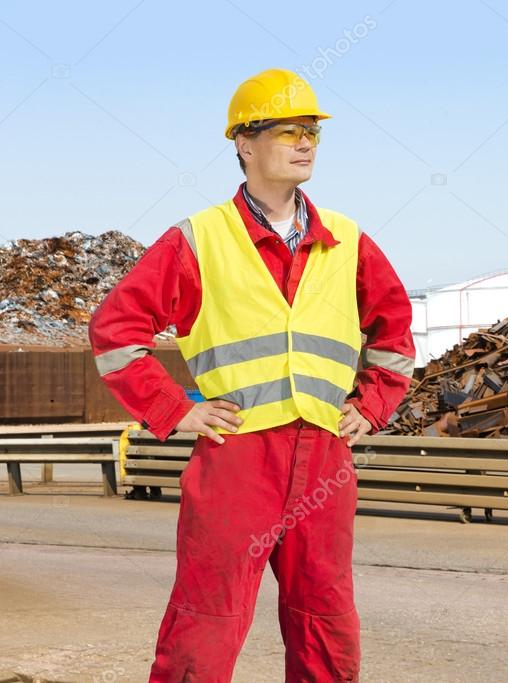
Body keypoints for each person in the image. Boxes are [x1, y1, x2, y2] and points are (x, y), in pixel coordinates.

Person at [87, 67, 415, 682]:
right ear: (243, 141)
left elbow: (393, 334)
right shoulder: (200, 239)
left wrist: (371, 406)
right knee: (207, 617)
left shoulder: (346, 240)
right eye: (289, 130)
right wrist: (176, 409)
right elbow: (116, 331)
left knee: (326, 617)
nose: (306, 143)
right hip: (237, 455)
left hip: (323, 455)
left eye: (312, 131)